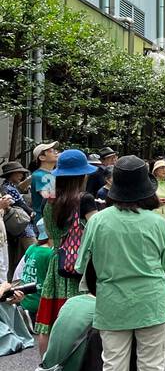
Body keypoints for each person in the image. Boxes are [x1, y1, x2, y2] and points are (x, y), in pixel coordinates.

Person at [75, 156, 165, 371]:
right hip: (151, 303)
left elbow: (82, 264)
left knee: (114, 367)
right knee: (150, 368)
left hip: (112, 303)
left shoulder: (97, 221)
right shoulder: (157, 223)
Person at [34, 150, 97, 356]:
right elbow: (98, 229)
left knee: (49, 321)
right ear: (82, 176)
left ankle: (47, 370)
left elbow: (50, 234)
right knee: (78, 321)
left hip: (57, 260)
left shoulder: (48, 196)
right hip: (78, 264)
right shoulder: (85, 199)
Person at [1, 160, 36, 280]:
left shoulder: (10, 187)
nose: (21, 175)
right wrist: (31, 212)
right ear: (12, 174)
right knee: (32, 253)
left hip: (18, 227)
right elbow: (21, 204)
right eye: (18, 173)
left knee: (16, 256)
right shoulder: (9, 188)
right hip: (23, 227)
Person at [15, 224, 53, 320]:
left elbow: (19, 270)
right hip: (39, 304)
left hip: (24, 300)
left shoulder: (32, 248)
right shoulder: (50, 254)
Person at [29, 141, 59, 216]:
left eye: (55, 150)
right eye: (51, 151)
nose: (56, 153)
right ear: (42, 157)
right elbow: (49, 198)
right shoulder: (39, 175)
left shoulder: (52, 174)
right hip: (44, 219)